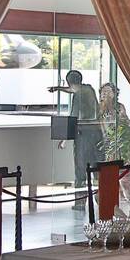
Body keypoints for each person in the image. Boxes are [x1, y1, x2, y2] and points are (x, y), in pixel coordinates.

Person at [51, 70, 98, 209]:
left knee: (80, 169)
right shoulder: (89, 89)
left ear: (69, 82)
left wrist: (65, 139)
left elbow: (73, 116)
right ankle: (101, 200)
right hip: (95, 134)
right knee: (96, 169)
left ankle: (80, 203)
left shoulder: (78, 96)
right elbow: (73, 89)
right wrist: (58, 88)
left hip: (83, 135)